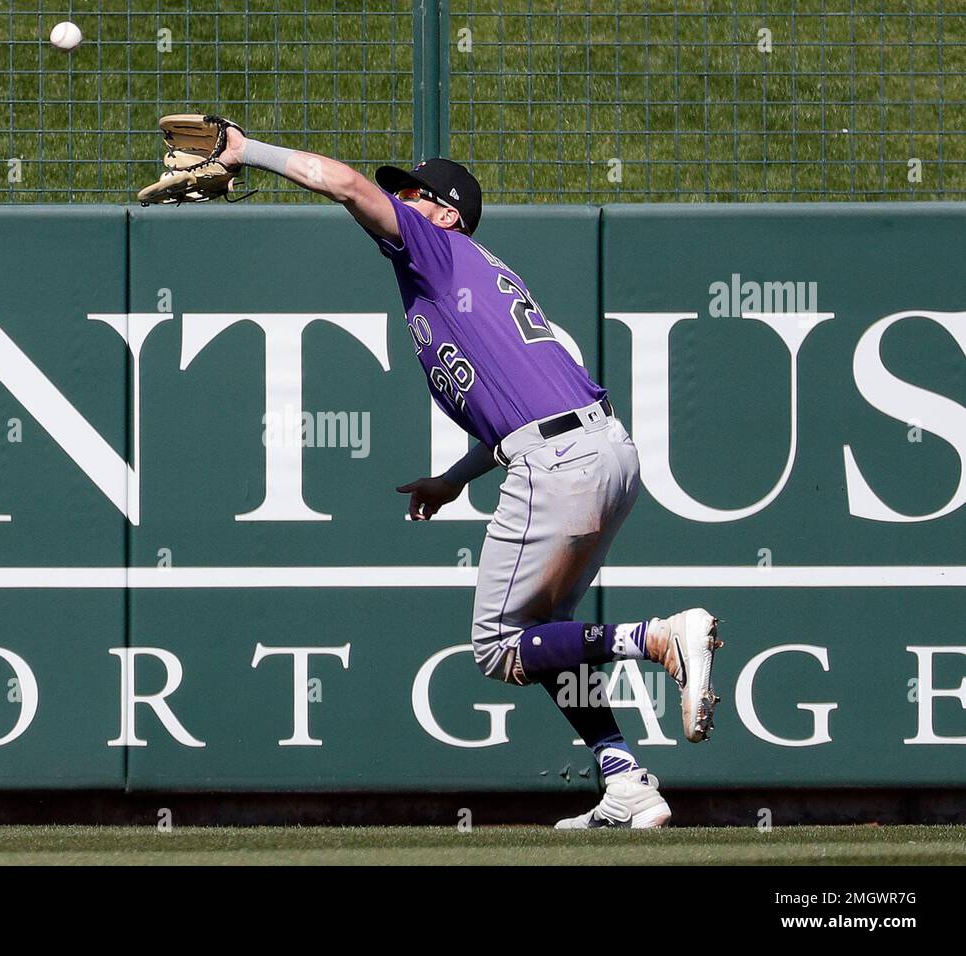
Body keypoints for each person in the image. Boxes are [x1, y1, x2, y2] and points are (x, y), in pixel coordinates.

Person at [219, 128, 722, 828]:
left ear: (447, 213)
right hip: (598, 450)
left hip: (561, 462)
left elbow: (345, 185)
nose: (397, 198)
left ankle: (656, 637)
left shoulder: (437, 249)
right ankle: (624, 778)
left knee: (497, 648)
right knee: (546, 634)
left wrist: (249, 153)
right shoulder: (458, 278)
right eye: (400, 191)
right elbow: (510, 416)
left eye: (413, 193)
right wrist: (454, 479)